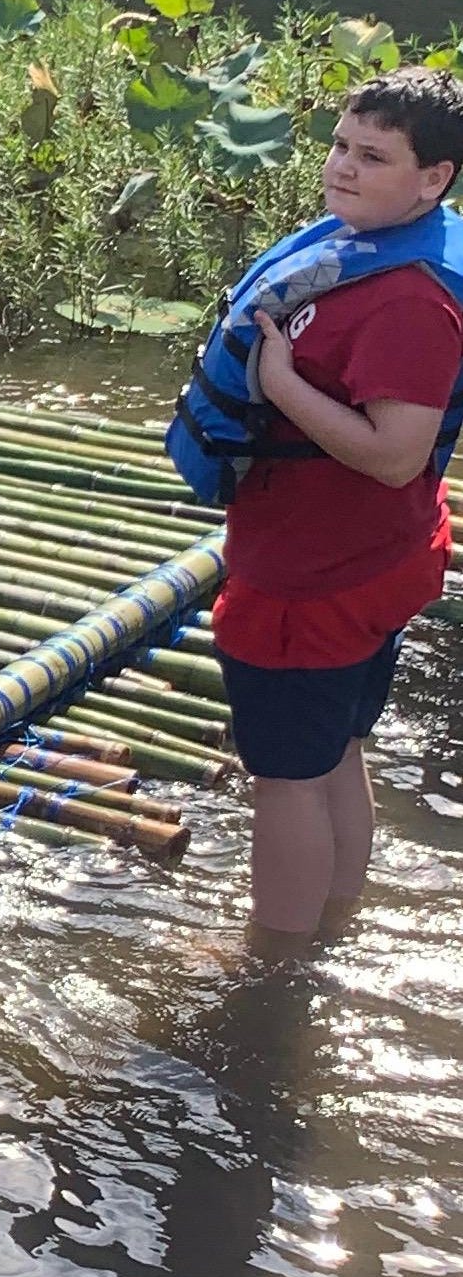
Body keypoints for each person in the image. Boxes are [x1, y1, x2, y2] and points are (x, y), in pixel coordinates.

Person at [170, 68, 463, 961]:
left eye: (372, 157)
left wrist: (281, 383)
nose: (341, 168)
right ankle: (330, 921)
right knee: (337, 749)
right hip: (372, 559)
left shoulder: (410, 299)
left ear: (432, 180)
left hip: (316, 577)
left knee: (285, 779)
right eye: (340, 145)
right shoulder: (379, 243)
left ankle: (271, 961)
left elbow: (393, 452)